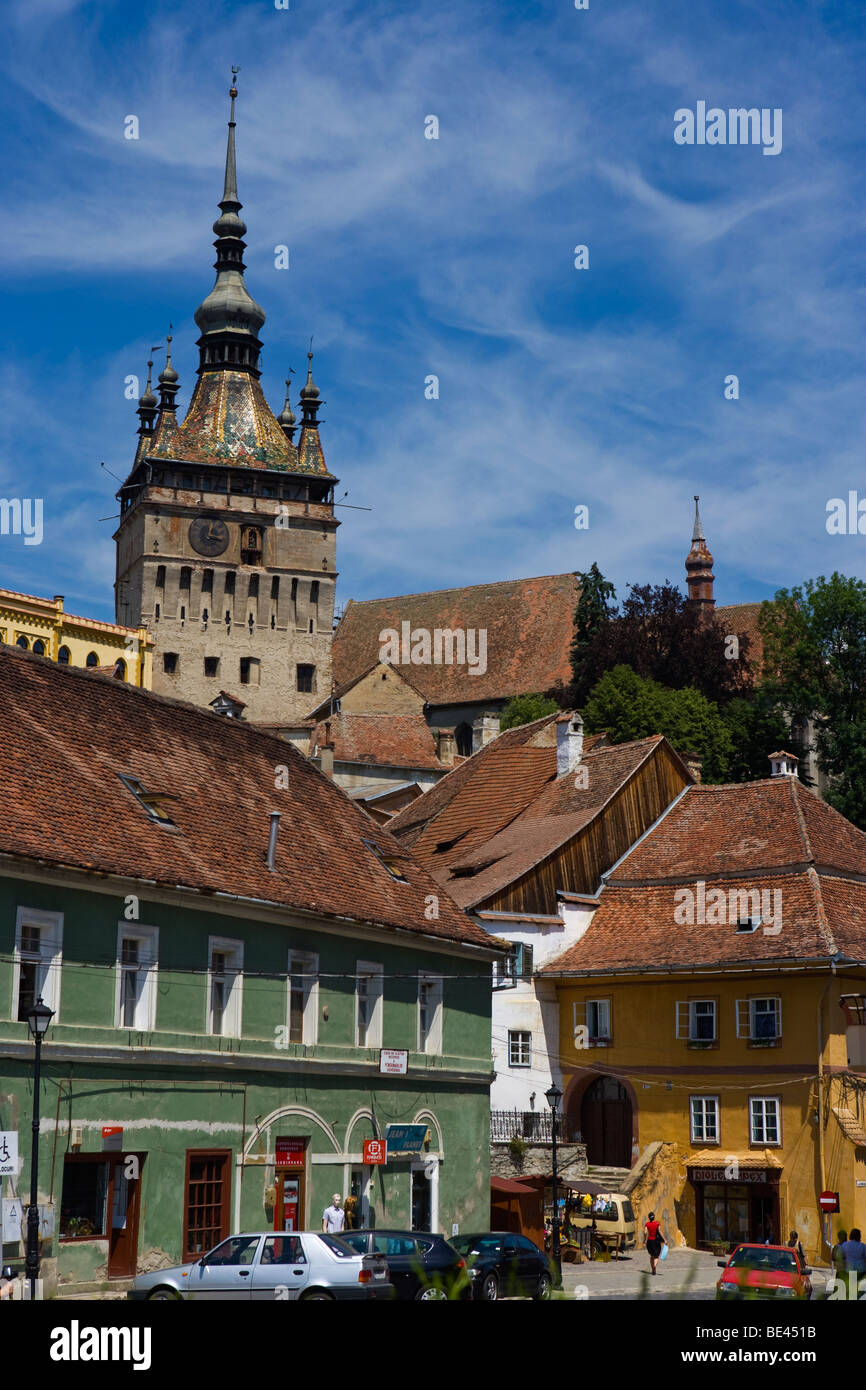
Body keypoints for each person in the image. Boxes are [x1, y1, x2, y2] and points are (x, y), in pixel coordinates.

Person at [644, 1210, 667, 1276]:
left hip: (649, 1241)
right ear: (654, 1217)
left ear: (649, 1218)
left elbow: (645, 1232)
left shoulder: (647, 1224)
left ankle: (652, 1270)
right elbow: (659, 1231)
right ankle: (654, 1266)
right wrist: (664, 1239)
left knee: (652, 1255)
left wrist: (645, 1240)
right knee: (656, 1256)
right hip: (656, 1241)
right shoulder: (657, 1223)